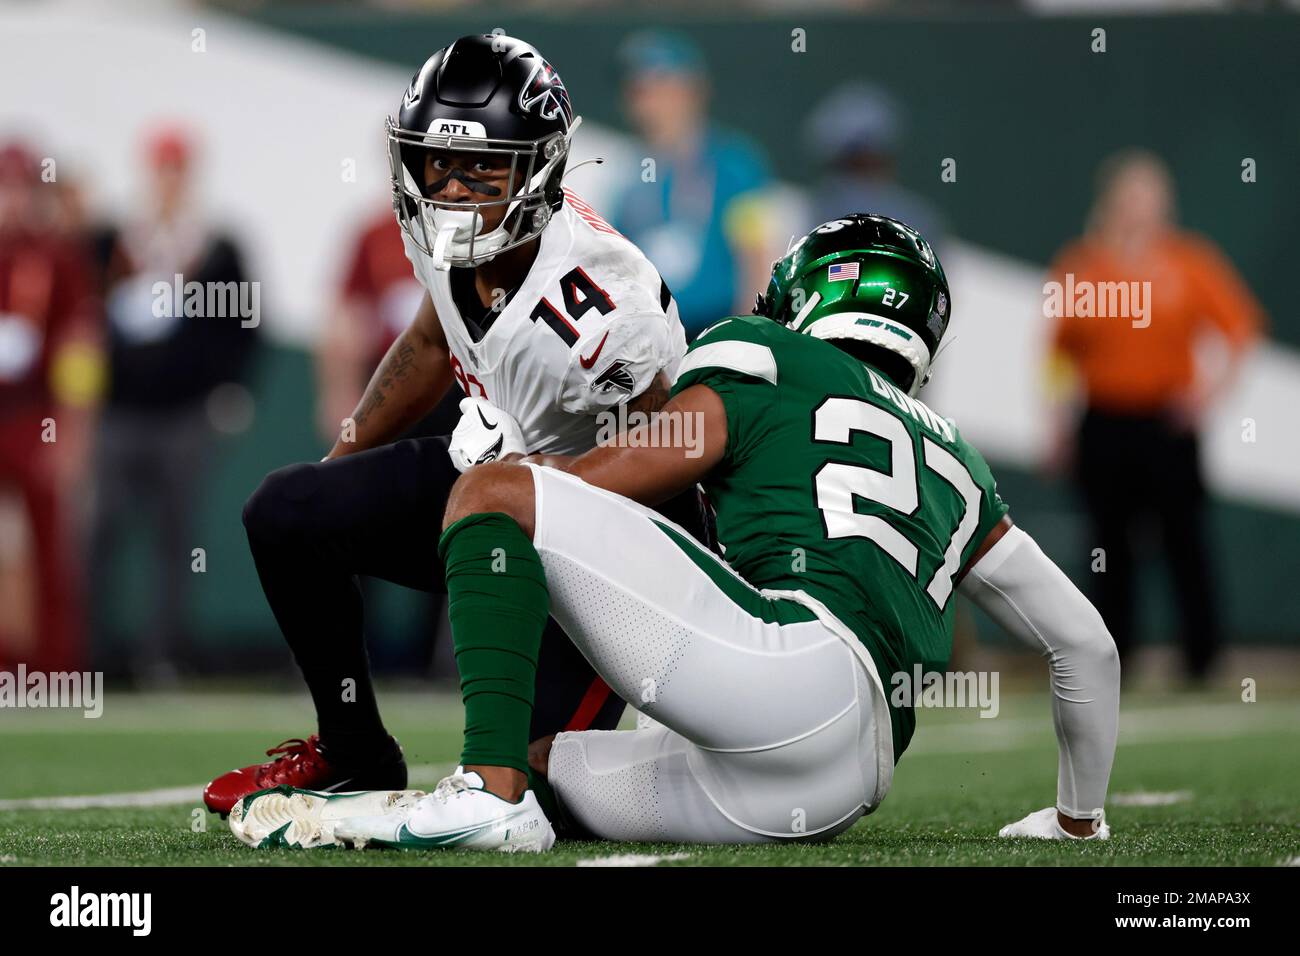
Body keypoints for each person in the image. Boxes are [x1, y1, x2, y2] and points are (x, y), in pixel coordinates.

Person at [230, 216, 1121, 853]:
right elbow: (1085, 644)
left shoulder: (768, 353)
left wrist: (514, 484)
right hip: (849, 781)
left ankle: (484, 792)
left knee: (494, 492)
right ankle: (507, 790)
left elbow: (622, 474)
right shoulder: (960, 460)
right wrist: (1076, 819)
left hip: (780, 672)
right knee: (549, 773)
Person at [203, 35, 691, 818]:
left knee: (533, 795)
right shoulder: (443, 231)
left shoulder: (604, 303)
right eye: (438, 163)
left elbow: (673, 461)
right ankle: (354, 752)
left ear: (538, 169)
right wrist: (342, 463)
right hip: (495, 489)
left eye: (482, 168)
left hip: (609, 545)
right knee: (290, 512)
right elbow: (433, 339)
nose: (454, 190)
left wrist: (546, 487)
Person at [1044, 150, 1263, 683]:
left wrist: (1206, 395)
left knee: (1185, 540)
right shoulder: (1084, 266)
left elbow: (1241, 328)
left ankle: (1202, 659)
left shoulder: (1189, 263)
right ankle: (1113, 657)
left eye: (1149, 198)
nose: (1139, 209)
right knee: (1107, 546)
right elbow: (1058, 352)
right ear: (1110, 202)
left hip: (1165, 425)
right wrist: (1057, 422)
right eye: (1129, 198)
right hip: (1104, 422)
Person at [87, 127, 258, 683]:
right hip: (118, 410)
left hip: (184, 411)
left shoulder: (216, 245)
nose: (169, 181)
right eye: (162, 169)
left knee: (175, 535)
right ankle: (93, 653)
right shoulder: (113, 241)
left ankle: (160, 653)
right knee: (102, 527)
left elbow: (243, 323)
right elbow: (83, 316)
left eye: (177, 169)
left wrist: (228, 388)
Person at [0, 141, 98, 673]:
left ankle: (53, 667)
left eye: (20, 189)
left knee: (49, 541)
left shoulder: (55, 256)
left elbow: (79, 347)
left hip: (32, 416)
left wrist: (71, 431)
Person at [611, 31, 774, 340]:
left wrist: (746, 338)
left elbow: (756, 257)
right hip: (654, 339)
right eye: (638, 91)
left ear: (693, 91)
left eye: (660, 87)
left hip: (718, 332)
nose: (647, 102)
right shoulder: (629, 177)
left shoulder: (735, 166)